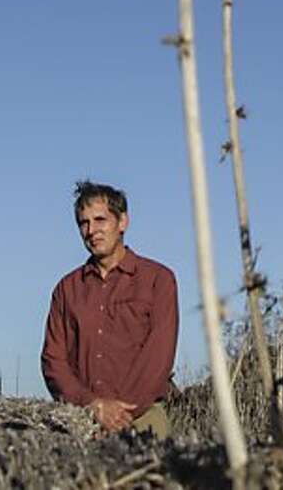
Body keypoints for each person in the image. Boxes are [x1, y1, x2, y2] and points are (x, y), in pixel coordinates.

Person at [40, 180, 178, 437]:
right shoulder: (66, 289)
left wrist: (119, 412)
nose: (92, 230)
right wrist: (92, 405)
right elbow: (53, 359)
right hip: (82, 417)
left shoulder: (158, 279)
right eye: (84, 223)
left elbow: (159, 356)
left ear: (122, 222)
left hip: (141, 414)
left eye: (100, 220)